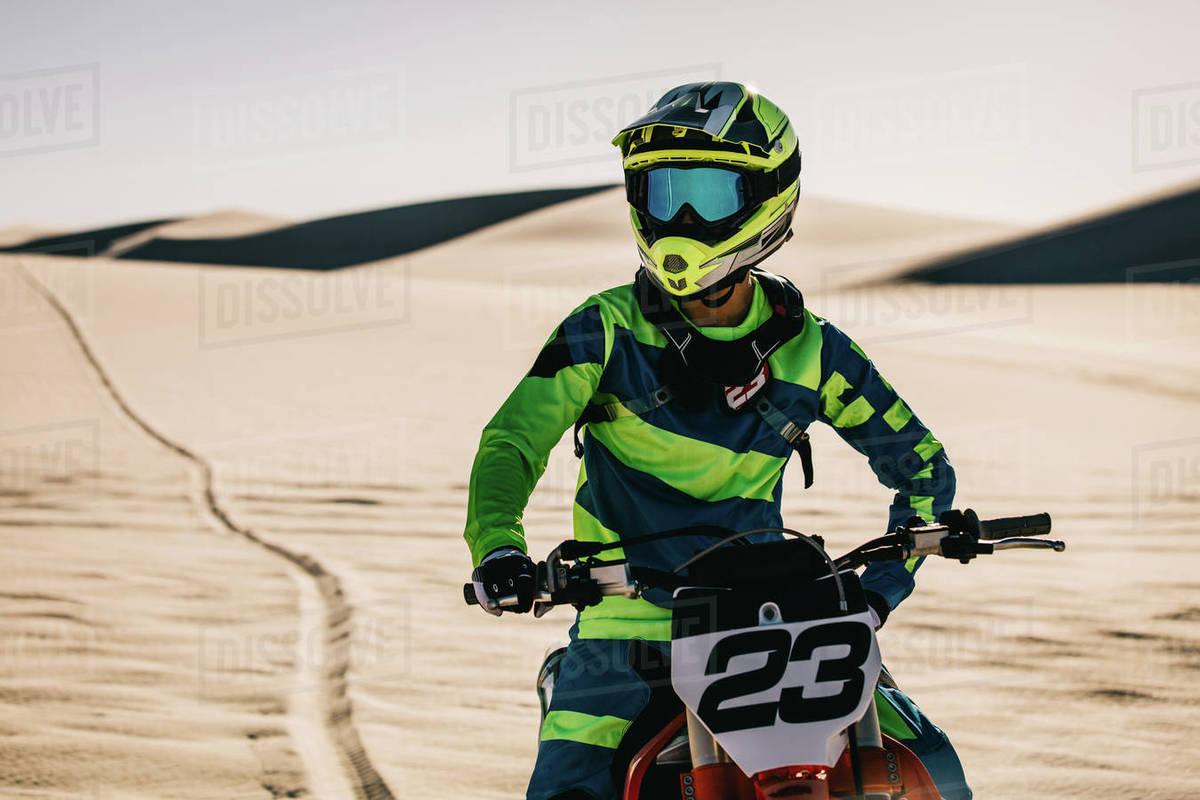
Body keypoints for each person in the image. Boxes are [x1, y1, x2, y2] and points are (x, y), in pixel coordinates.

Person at [464, 82, 971, 800]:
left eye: (708, 194)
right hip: (627, 622)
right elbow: (513, 440)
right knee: (566, 790)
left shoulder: (811, 350)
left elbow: (920, 468)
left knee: (935, 776)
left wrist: (876, 593)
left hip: (784, 619)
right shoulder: (604, 329)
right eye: (664, 193)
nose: (684, 219)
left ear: (768, 197)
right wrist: (499, 547)